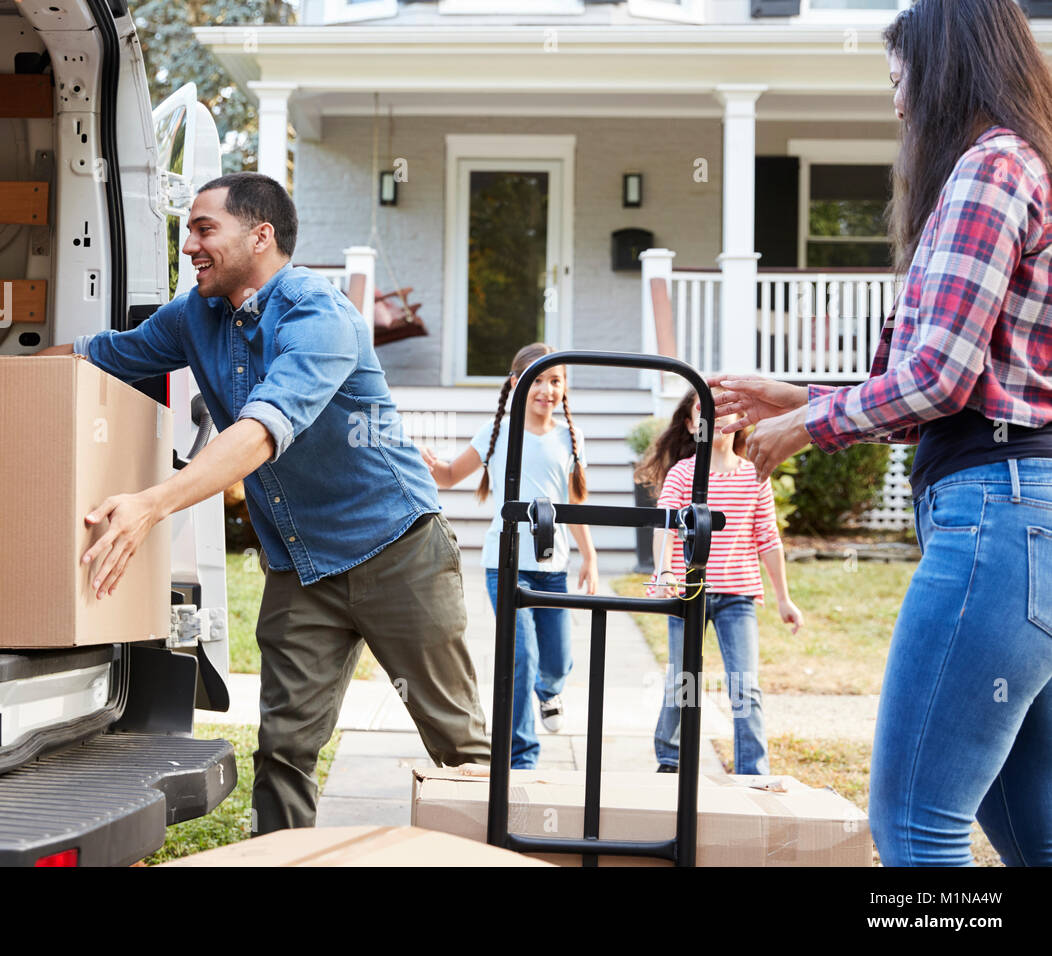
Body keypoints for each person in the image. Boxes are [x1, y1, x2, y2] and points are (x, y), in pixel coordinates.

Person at [39, 172, 490, 833]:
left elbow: (260, 433)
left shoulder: (318, 314)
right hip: (302, 567)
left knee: (458, 746)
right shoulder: (197, 315)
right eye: (186, 228)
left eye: (202, 228)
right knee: (283, 749)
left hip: (397, 551)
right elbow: (100, 358)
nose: (188, 244)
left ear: (260, 235)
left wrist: (152, 504)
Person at [709, 0, 1052, 865]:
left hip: (998, 524)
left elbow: (936, 382)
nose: (896, 103)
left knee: (915, 824)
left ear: (942, 71)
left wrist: (801, 431)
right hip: (1028, 521)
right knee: (1032, 833)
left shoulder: (989, 171)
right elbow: (965, 386)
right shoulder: (1027, 166)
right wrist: (797, 398)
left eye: (898, 79)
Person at [421, 343, 598, 769]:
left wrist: (589, 556)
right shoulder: (496, 432)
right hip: (505, 564)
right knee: (522, 657)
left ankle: (550, 692)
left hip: (553, 567)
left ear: (565, 389)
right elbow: (447, 475)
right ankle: (522, 758)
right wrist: (424, 460)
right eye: (537, 380)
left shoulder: (569, 437)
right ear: (516, 383)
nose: (546, 389)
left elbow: (574, 501)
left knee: (556, 661)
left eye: (555, 381)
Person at [636, 389, 803, 776]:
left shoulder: (754, 476)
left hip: (737, 595)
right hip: (686, 592)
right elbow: (666, 528)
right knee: (683, 679)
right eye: (706, 413)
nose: (717, 421)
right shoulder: (681, 474)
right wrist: (663, 574)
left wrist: (784, 599)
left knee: (745, 686)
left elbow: (768, 539)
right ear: (693, 425)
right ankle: (670, 758)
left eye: (727, 413)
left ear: (740, 422)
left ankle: (752, 771)